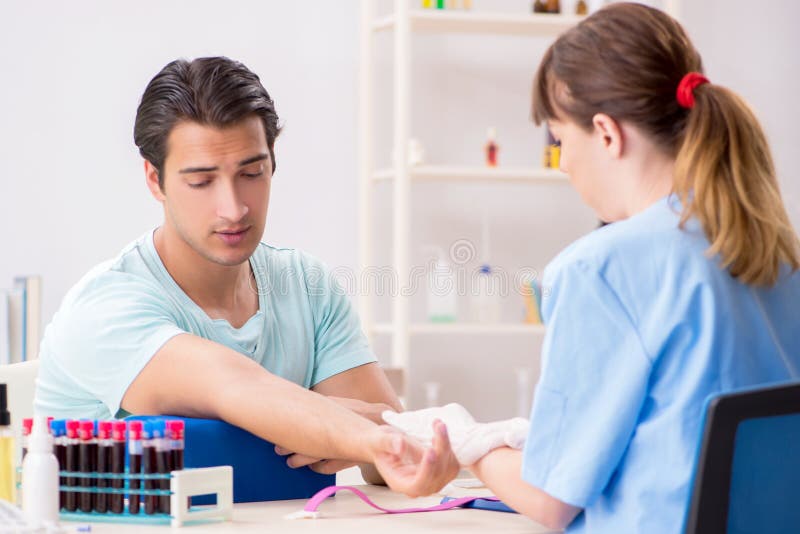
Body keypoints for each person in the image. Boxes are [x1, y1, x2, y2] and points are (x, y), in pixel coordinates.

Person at [376, 3, 800, 532]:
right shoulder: (777, 253)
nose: (564, 163)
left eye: (559, 140)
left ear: (605, 133)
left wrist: (471, 444)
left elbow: (551, 501)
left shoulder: (600, 268)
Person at [33, 56, 459, 491]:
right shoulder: (105, 307)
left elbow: (386, 455)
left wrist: (360, 433)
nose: (234, 208)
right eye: (201, 182)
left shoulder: (305, 284)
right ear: (155, 180)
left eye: (251, 173)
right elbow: (236, 388)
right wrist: (348, 424)